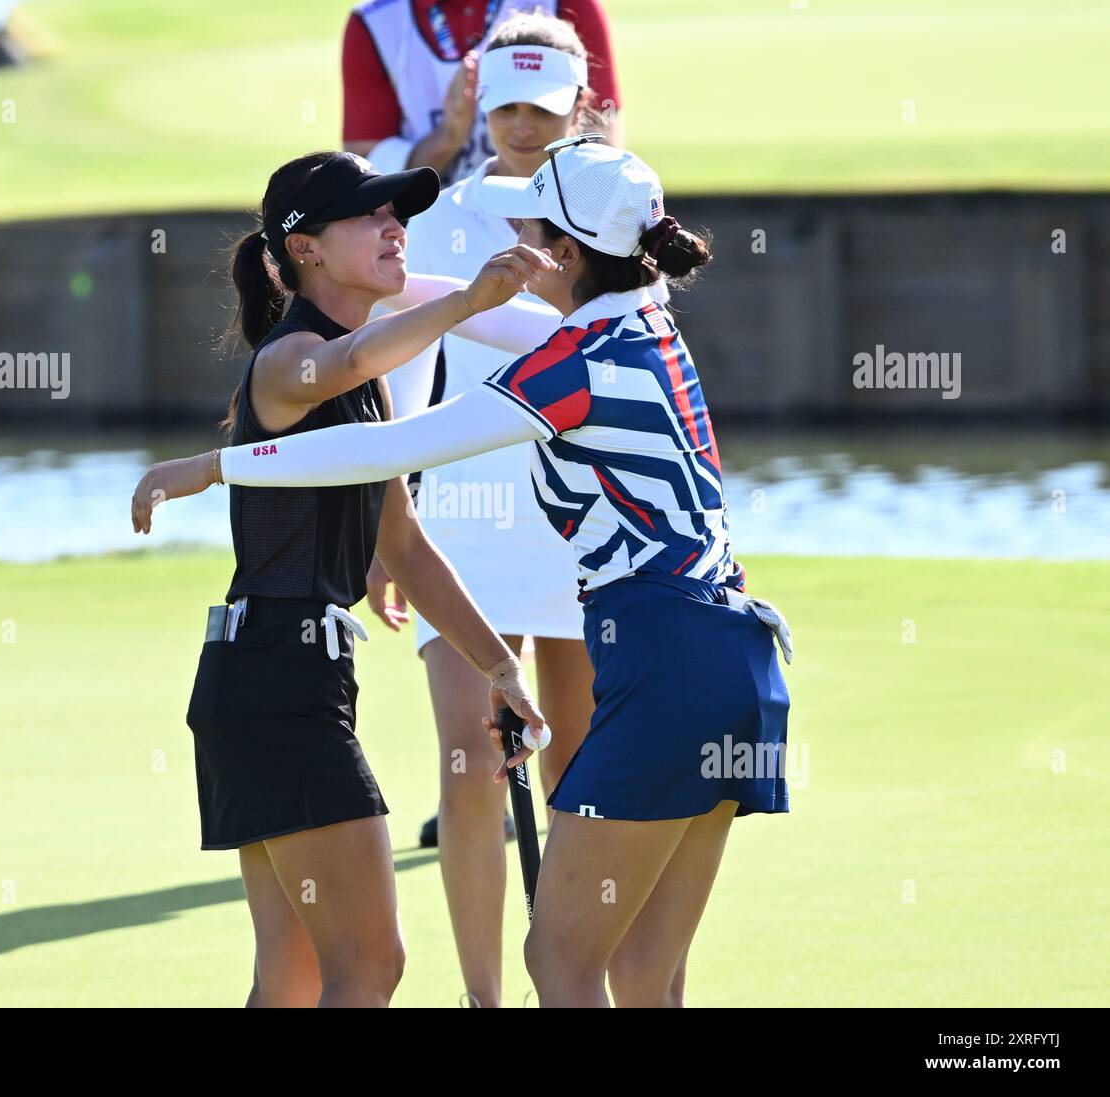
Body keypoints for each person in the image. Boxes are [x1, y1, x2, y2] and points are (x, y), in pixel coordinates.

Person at [132, 137, 794, 1008]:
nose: (398, 226)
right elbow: (366, 372)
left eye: (531, 227)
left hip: (661, 657)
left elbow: (399, 476)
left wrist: (217, 466)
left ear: (563, 249)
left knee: (548, 967)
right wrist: (500, 663)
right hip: (736, 659)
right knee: (636, 978)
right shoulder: (649, 325)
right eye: (369, 215)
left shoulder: (571, 359)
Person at [139, 149, 556, 1008]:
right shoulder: (291, 360)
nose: (394, 226)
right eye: (369, 216)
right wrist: (466, 304)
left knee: (291, 979)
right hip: (276, 684)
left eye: (397, 212)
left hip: (275, 682)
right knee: (369, 967)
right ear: (306, 250)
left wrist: (500, 667)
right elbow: (338, 366)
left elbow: (403, 545)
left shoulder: (370, 390)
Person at [365, 12, 606, 1008]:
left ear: (579, 106)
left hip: (583, 517)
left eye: (542, 108)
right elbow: (398, 388)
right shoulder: (439, 222)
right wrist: (389, 534)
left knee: (583, 767)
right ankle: (482, 998)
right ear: (476, 101)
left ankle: (569, 981)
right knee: (468, 760)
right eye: (504, 105)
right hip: (463, 523)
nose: (521, 126)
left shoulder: (616, 219)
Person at [342, 0, 624, 184]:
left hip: (557, 220)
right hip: (426, 223)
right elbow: (367, 175)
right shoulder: (375, 22)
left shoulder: (568, 4)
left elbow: (602, 143)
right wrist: (448, 136)